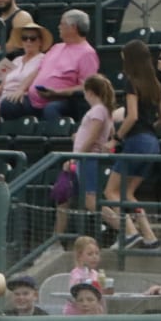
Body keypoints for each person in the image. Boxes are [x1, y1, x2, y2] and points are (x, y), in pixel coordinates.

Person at [101, 39, 161, 250]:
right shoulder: (156, 84)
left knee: (111, 192)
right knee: (128, 193)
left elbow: (131, 116)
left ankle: (129, 232)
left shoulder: (132, 82)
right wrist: (149, 130)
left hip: (136, 141)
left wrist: (116, 139)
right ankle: (149, 237)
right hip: (152, 143)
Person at [0, 9, 98, 122]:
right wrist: (21, 89)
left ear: (73, 27)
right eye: (24, 38)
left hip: (63, 100)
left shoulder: (87, 53)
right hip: (34, 100)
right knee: (8, 105)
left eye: (62, 24)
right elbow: (38, 70)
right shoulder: (56, 47)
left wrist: (57, 93)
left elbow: (87, 86)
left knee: (51, 109)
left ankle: (57, 138)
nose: (58, 27)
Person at [58, 73, 115, 238]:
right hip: (83, 158)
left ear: (90, 92)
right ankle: (57, 238)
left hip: (87, 159)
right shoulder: (104, 110)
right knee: (63, 200)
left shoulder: (98, 110)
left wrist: (75, 158)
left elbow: (92, 138)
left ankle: (126, 229)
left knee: (91, 201)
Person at [0, 22, 52, 107]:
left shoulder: (45, 59)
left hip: (21, 101)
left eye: (32, 38)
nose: (28, 41)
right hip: (2, 101)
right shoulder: (15, 60)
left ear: (40, 41)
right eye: (24, 38)